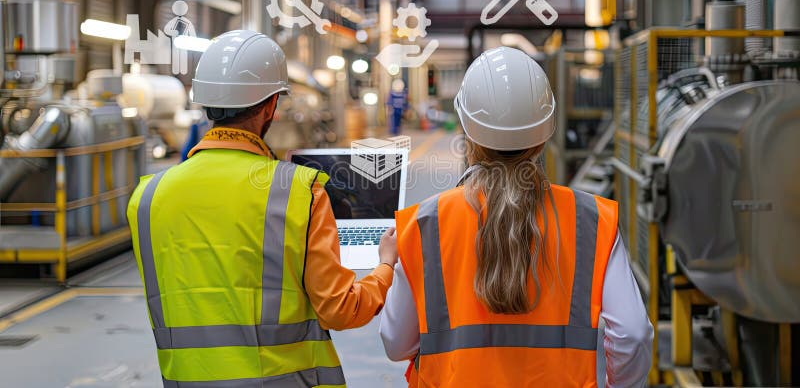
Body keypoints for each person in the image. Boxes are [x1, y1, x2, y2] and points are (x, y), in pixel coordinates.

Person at [127, 30, 397, 387]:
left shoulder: (148, 198)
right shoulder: (299, 191)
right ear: (270, 106)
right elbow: (341, 310)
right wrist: (385, 265)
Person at [379, 47, 653, 387]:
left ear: (468, 135)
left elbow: (395, 344)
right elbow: (633, 333)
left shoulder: (425, 224)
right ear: (543, 138)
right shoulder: (592, 221)